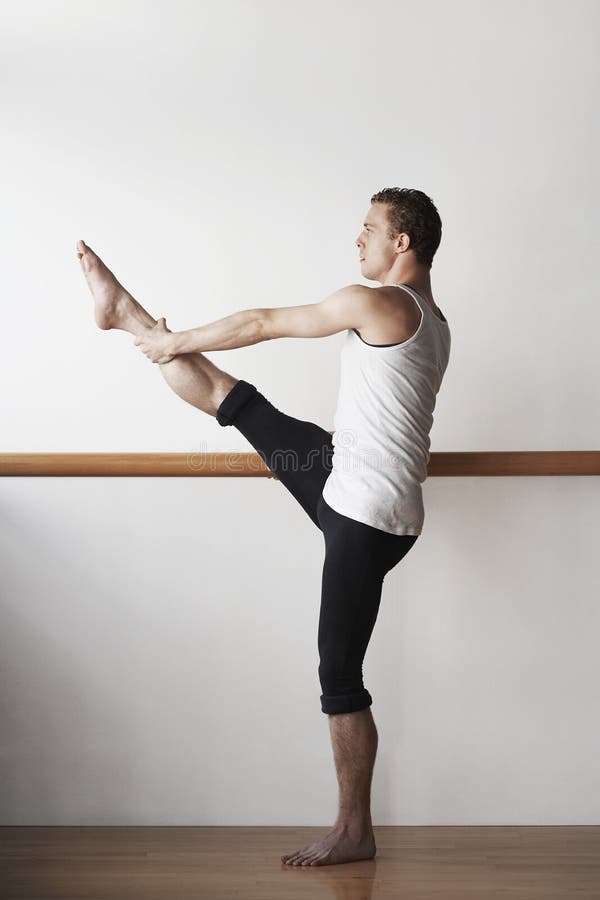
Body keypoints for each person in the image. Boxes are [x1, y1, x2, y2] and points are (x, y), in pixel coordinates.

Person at [76, 186, 451, 867]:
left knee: (339, 675)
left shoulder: (384, 302)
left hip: (365, 513)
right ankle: (125, 314)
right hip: (345, 478)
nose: (358, 239)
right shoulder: (433, 316)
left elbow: (262, 322)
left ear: (403, 242)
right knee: (234, 402)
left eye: (369, 228)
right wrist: (164, 341)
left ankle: (354, 830)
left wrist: (177, 340)